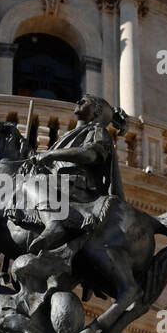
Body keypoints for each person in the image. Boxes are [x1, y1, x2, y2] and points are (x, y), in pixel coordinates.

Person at [24, 94, 127, 253]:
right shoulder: (64, 136)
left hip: (76, 185)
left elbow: (90, 154)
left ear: (96, 112)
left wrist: (50, 154)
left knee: (35, 182)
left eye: (85, 101)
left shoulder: (98, 131)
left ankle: (55, 224)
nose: (78, 101)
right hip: (57, 184)